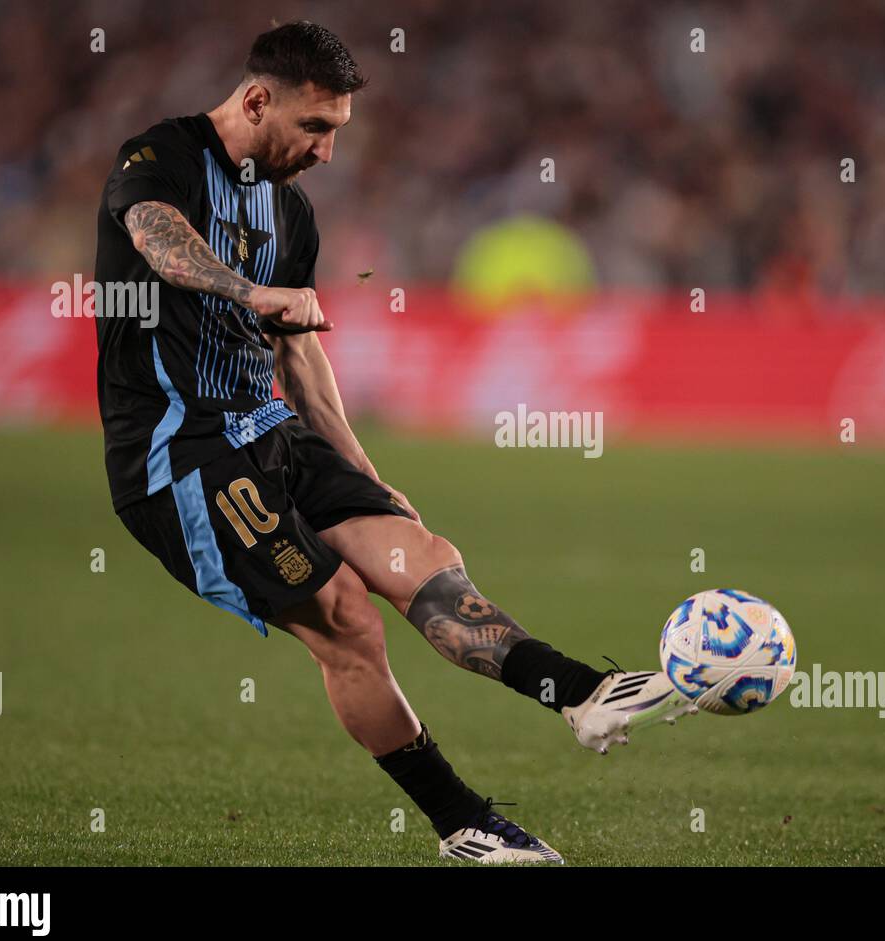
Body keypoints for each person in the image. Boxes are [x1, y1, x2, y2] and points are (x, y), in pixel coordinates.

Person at [93, 20, 695, 864]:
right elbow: (154, 238)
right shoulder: (159, 160)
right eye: (316, 128)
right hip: (179, 455)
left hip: (271, 430)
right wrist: (251, 292)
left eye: (338, 131)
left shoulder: (289, 213)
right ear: (258, 99)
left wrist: (367, 476)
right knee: (347, 620)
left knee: (418, 553)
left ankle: (584, 694)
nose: (328, 152)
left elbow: (300, 357)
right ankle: (465, 824)